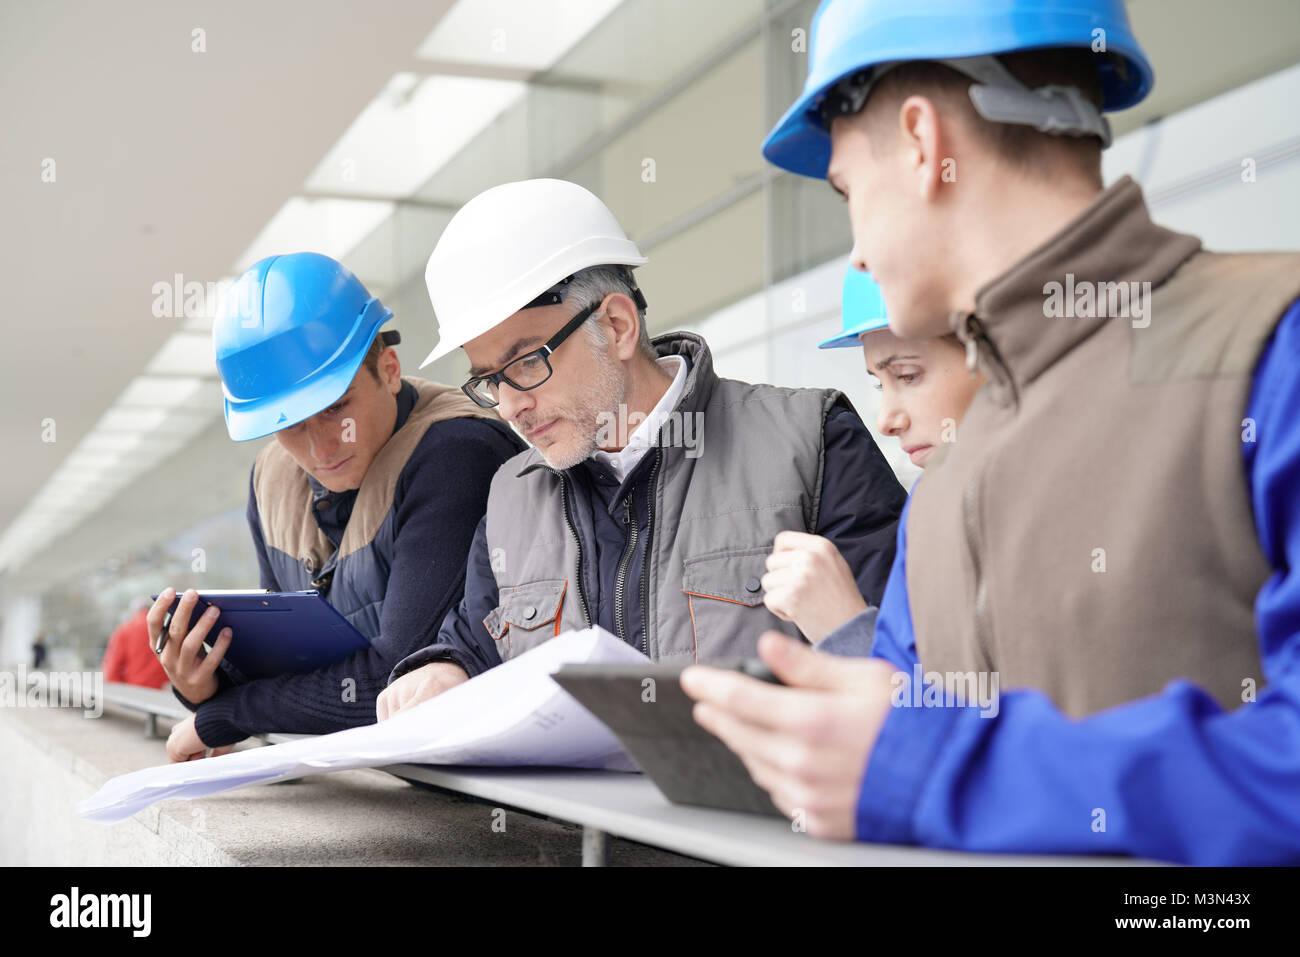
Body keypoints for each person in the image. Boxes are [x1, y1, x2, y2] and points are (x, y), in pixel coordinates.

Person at [682, 0, 1300, 864]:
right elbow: (898, 731)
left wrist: (936, 770)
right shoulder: (947, 475)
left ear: (921, 142)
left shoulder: (1276, 344)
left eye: (847, 192)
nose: (855, 254)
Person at [378, 178, 907, 719]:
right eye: (490, 380)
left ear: (616, 326)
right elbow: (477, 638)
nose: (510, 406)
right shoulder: (511, 497)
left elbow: (905, 677)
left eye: (526, 364)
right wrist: (447, 668)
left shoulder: (814, 442)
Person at [148, 252, 522, 761]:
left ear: (388, 370)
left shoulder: (456, 452)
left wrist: (226, 714)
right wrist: (202, 682)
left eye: (336, 408)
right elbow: (286, 665)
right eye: (290, 423)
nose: (320, 447)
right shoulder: (268, 477)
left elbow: (397, 681)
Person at [763, 267, 985, 649]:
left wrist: (845, 630)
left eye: (908, 376)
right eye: (879, 384)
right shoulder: (926, 507)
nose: (885, 421)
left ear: (996, 356)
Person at [103, 599, 169, 688]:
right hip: (161, 690)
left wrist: (122, 691)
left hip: (134, 691)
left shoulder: (124, 631)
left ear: (134, 612)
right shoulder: (166, 630)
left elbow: (112, 669)